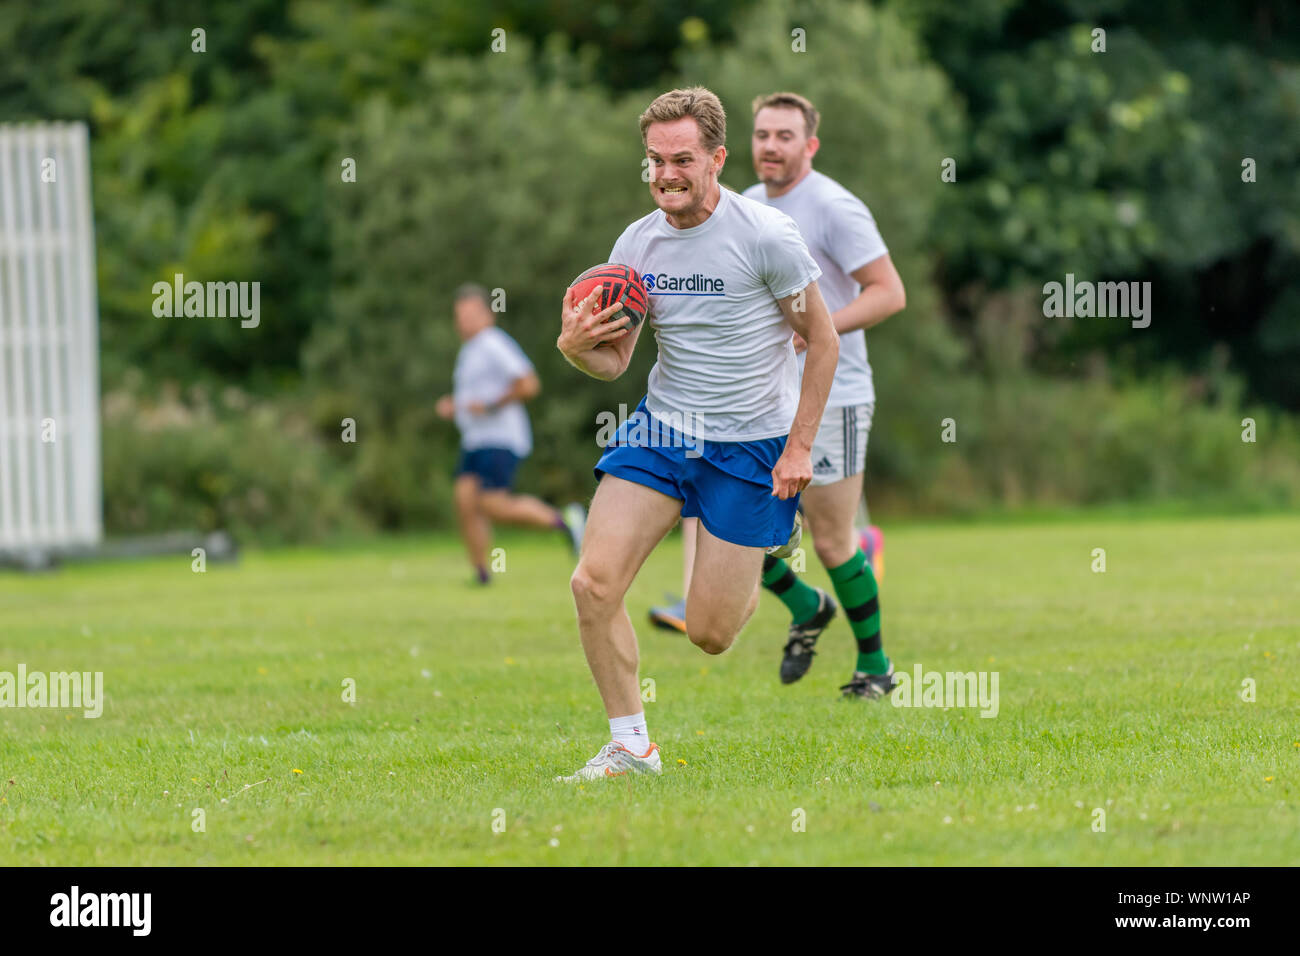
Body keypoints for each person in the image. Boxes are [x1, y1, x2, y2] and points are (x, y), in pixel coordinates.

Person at [555, 87, 838, 781]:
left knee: (709, 635)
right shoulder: (637, 242)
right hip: (663, 430)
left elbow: (822, 342)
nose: (665, 174)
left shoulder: (765, 237)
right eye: (653, 160)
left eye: (681, 159)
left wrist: (799, 449)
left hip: (752, 446)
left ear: (717, 158)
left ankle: (770, 538)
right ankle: (631, 746)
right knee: (593, 585)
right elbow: (616, 360)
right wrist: (573, 347)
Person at [649, 92, 906, 700]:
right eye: (763, 134)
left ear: (808, 145)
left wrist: (814, 333)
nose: (771, 145)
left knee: (830, 538)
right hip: (761, 402)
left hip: (835, 391)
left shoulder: (835, 207)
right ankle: (807, 606)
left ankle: (875, 665)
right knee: (737, 525)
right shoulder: (743, 208)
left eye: (785, 136)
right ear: (739, 147)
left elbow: (889, 293)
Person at [435, 284, 585, 584]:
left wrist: (489, 406)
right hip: (475, 440)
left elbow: (529, 384)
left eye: (469, 314)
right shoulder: (469, 351)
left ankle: (564, 521)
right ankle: (481, 573)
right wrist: (457, 406)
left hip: (500, 438)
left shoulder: (493, 343)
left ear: (487, 315)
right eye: (458, 316)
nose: (463, 321)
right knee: (464, 500)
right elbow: (473, 399)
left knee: (493, 506)